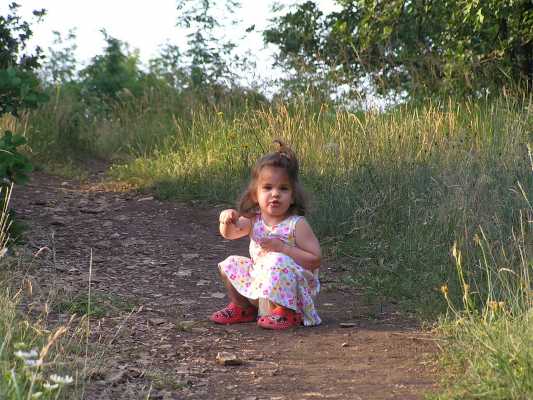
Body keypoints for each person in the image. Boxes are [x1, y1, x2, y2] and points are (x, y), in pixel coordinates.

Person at [210, 140, 321, 330]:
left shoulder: (297, 224)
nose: (275, 194)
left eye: (283, 189)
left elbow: (315, 259)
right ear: (255, 195)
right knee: (231, 263)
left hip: (293, 290)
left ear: (293, 195)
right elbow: (230, 234)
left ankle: (287, 311)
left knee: (277, 260)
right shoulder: (255, 220)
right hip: (262, 284)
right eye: (268, 188)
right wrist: (225, 221)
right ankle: (243, 307)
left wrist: (283, 248)